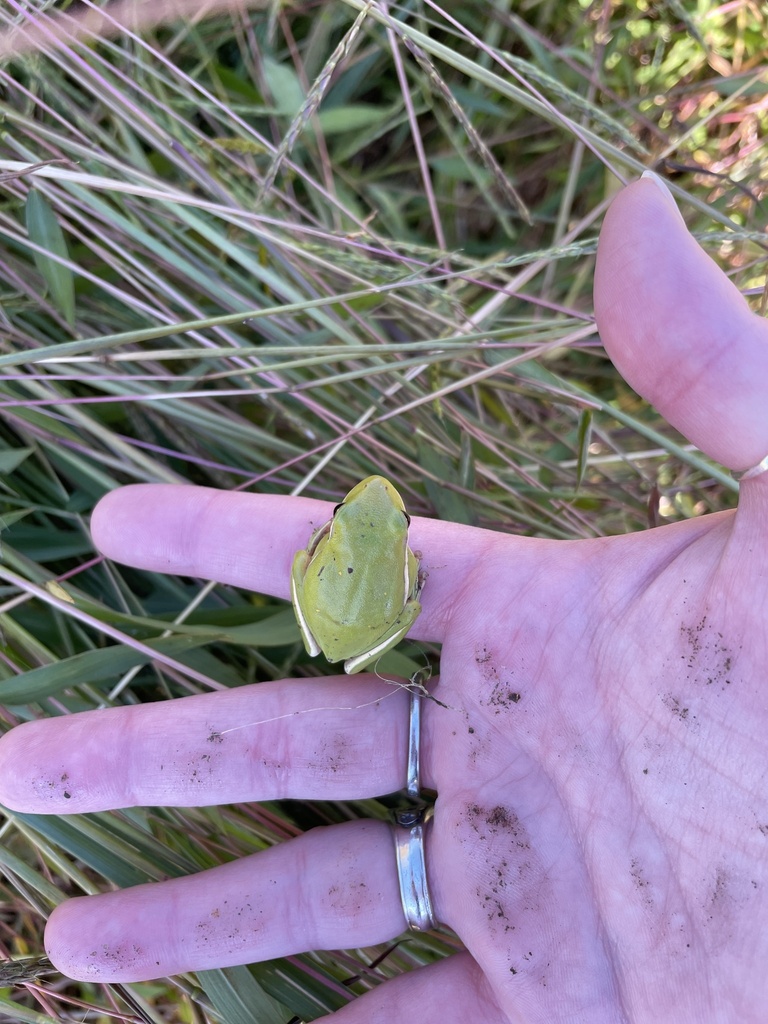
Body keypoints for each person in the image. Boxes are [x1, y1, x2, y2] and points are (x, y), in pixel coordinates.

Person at [0, 173, 766, 1023]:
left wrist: (327, 561)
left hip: (335, 619)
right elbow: (387, 574)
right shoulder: (404, 561)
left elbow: (322, 567)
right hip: (367, 618)